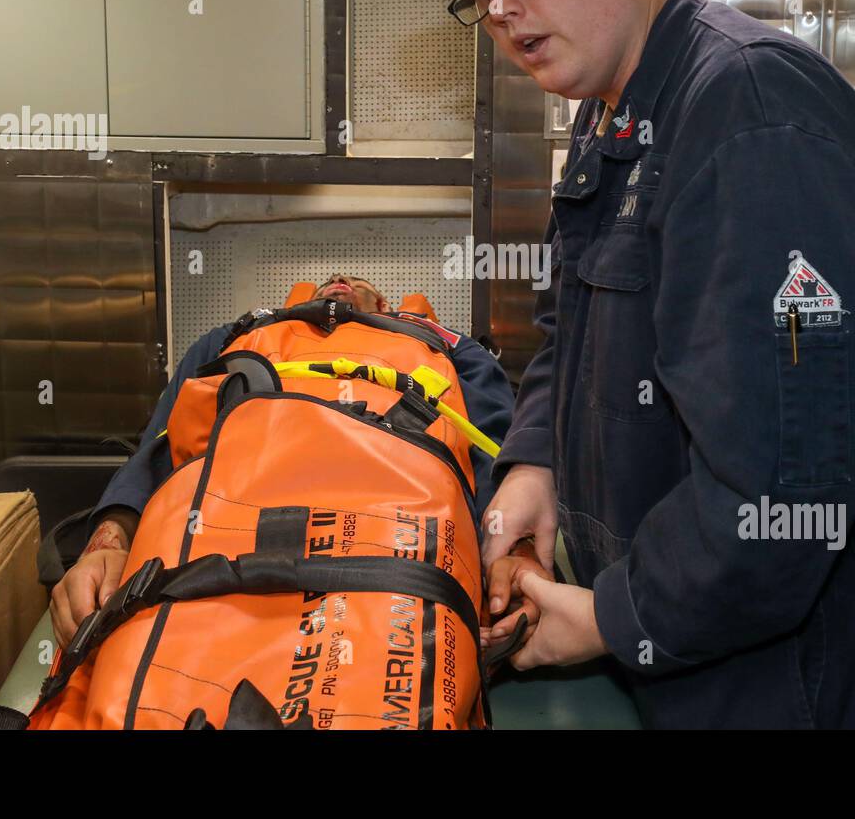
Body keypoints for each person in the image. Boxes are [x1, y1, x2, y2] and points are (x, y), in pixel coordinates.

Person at [391, 0, 855, 728]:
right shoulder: (611, 111)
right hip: (684, 644)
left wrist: (619, 618)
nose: (500, 7)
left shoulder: (748, 113)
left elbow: (787, 484)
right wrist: (533, 463)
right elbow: (564, 327)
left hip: (792, 674)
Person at [50, 272, 519, 645]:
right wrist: (110, 542)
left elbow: (491, 446)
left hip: (393, 525)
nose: (340, 279)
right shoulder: (229, 340)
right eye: (330, 281)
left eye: (358, 284)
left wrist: (511, 554)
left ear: (384, 308)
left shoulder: (446, 345)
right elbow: (161, 443)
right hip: (223, 525)